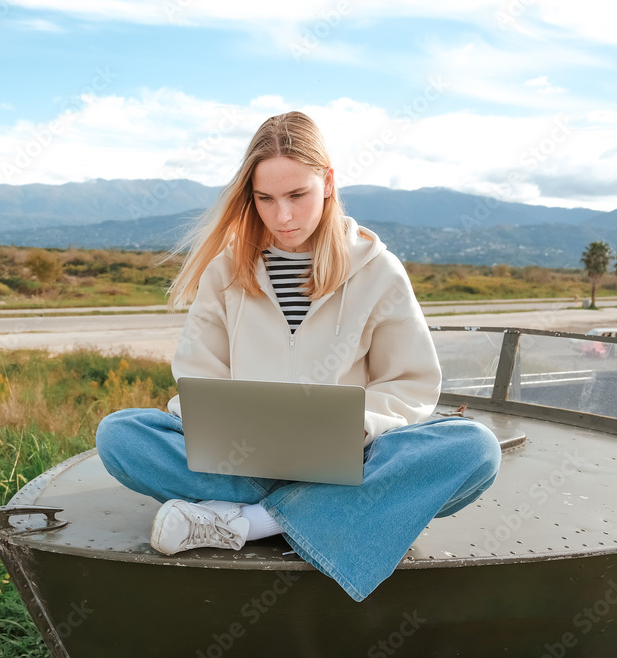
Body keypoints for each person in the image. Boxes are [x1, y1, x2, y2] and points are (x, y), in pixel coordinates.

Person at [94, 111, 502, 602]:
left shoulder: (380, 271)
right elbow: (198, 376)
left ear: (327, 182)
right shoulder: (225, 271)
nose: (282, 216)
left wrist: (360, 427)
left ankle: (249, 522)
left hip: (351, 458)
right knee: (120, 434)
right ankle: (322, 513)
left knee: (474, 448)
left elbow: (409, 383)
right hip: (243, 460)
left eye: (296, 195)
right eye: (265, 199)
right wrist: (220, 427)